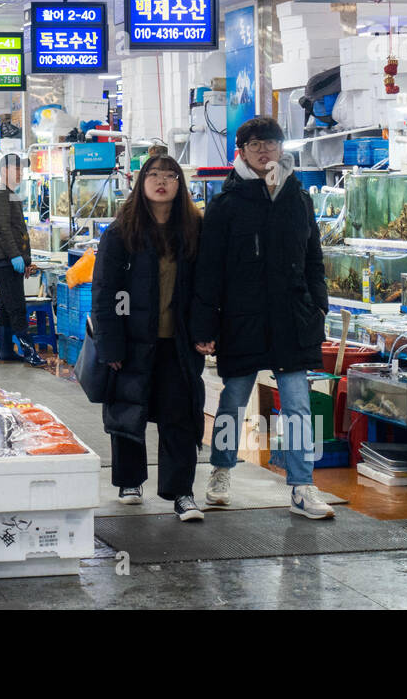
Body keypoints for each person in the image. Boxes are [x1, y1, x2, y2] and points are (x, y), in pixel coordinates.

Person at [192, 116, 335, 520]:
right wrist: (205, 325)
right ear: (241, 152)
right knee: (233, 402)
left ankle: (303, 487)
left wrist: (318, 305)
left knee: (298, 405)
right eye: (254, 145)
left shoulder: (298, 198)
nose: (263, 151)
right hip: (242, 320)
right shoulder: (226, 204)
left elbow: (313, 259)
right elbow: (209, 269)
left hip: (292, 317)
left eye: (270, 143)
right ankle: (220, 472)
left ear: (280, 147)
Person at [91, 154, 206, 522]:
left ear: (179, 184)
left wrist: (207, 332)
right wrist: (110, 345)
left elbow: (208, 289)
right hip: (131, 341)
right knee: (128, 411)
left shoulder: (194, 230)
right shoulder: (121, 232)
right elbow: (104, 292)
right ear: (140, 183)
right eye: (153, 175)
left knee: (180, 417)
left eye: (170, 175)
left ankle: (182, 493)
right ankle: (129, 481)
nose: (162, 181)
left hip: (178, 343)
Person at [0, 153, 45, 367]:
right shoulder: (1, 194)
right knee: (17, 307)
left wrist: (25, 259)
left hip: (9, 259)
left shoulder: (9, 194)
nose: (19, 173)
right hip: (5, 260)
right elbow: (3, 230)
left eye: (21, 170)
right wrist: (15, 256)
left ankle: (5, 351)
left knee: (6, 305)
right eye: (15, 169)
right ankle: (29, 352)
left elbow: (16, 229)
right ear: (3, 171)